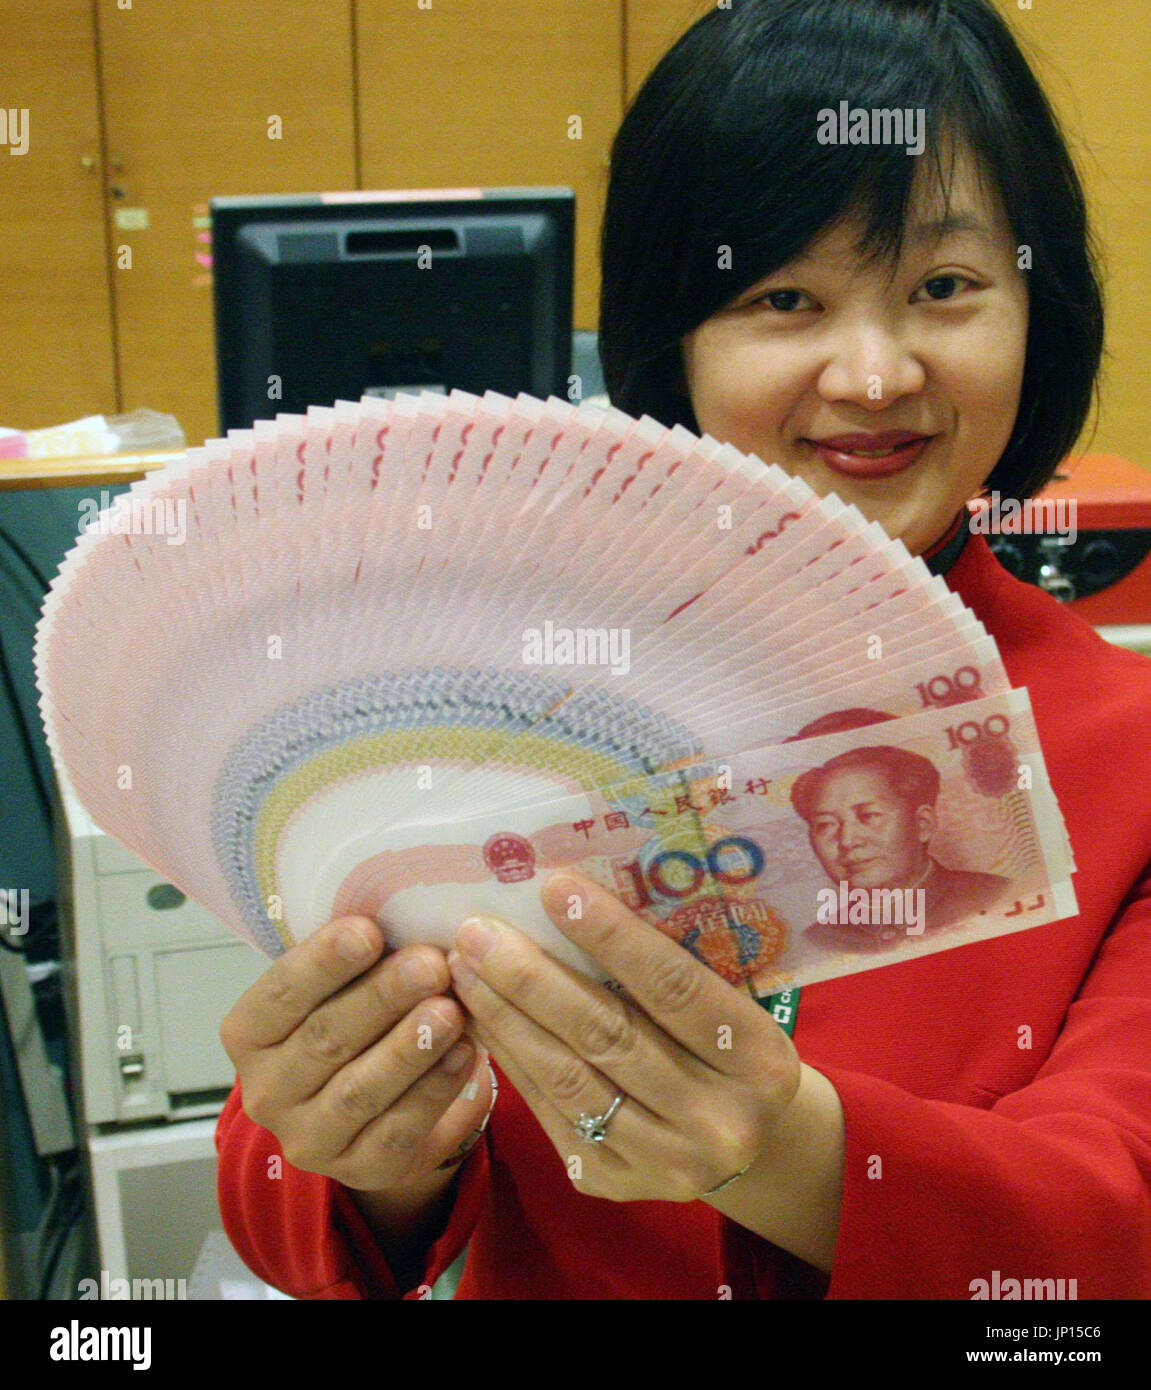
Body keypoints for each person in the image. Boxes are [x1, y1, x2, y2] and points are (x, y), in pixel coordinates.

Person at [216, 0, 1151, 1299]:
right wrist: (367, 1150)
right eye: (784, 296)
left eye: (941, 287)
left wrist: (788, 1152)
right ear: (676, 332)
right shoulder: (495, 687)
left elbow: (1111, 1233)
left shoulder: (1123, 743)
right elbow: (282, 1200)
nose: (872, 373)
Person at [790, 744, 1010, 950]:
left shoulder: (997, 897)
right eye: (826, 825)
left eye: (869, 816)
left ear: (922, 824)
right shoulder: (818, 942)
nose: (847, 841)